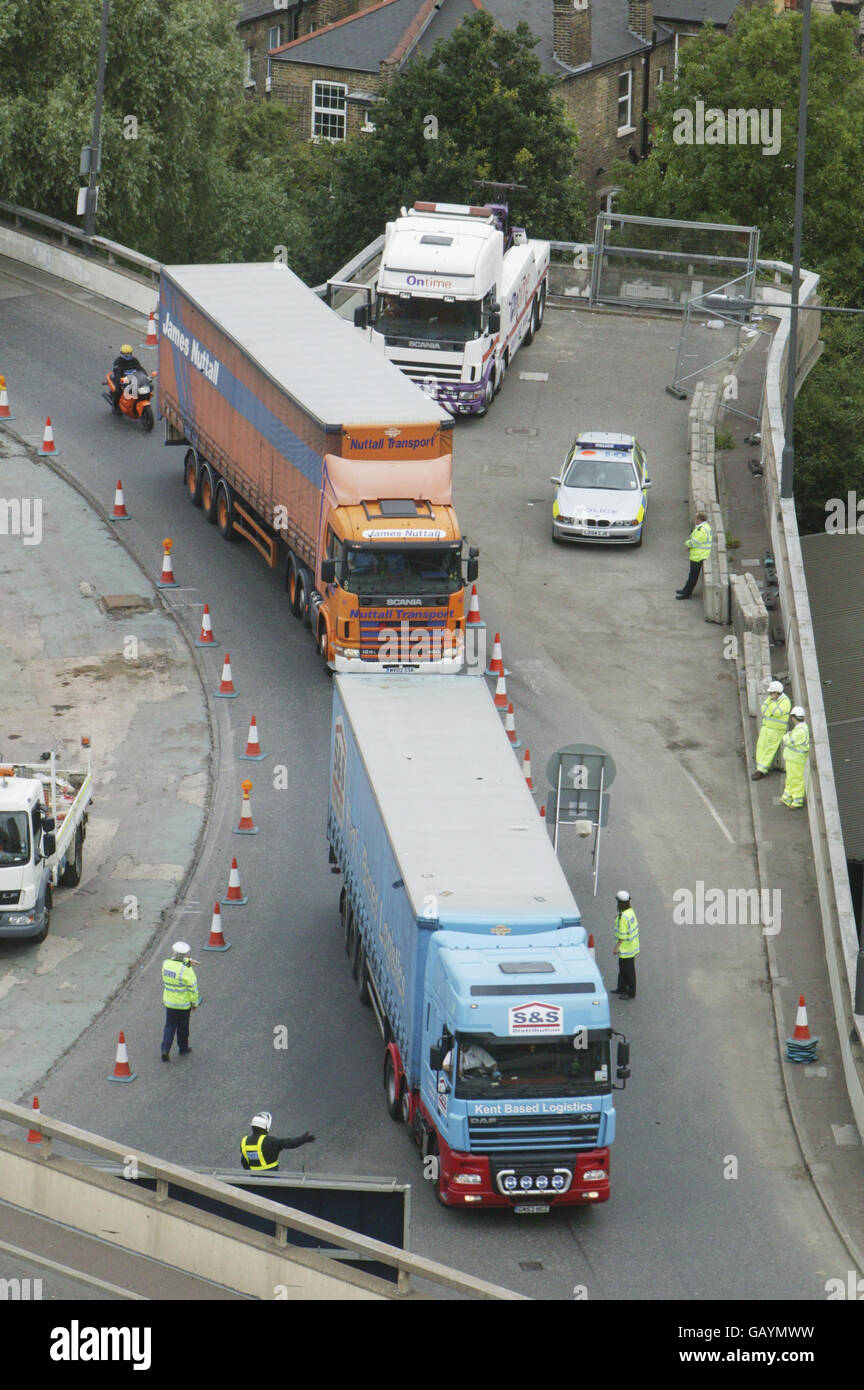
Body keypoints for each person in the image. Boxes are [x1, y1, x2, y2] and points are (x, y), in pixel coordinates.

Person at [161, 940, 199, 1061]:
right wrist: (194, 1003)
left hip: (170, 1003)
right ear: (186, 955)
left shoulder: (165, 964)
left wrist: (187, 961)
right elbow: (193, 989)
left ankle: (165, 1049)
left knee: (169, 1027)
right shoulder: (187, 971)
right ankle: (183, 1048)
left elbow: (175, 963)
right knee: (183, 1028)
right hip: (183, 1005)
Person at [240, 1111, 315, 1171]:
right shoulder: (269, 1141)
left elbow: (244, 1163)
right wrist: (303, 1139)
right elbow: (289, 1143)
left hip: (254, 1179)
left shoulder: (244, 1141)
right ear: (266, 1126)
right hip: (272, 1178)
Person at [752, 680, 791, 779]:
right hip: (766, 727)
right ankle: (758, 767)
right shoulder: (771, 698)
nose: (770, 694)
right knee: (760, 746)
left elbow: (777, 712)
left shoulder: (785, 702)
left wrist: (772, 705)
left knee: (769, 749)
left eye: (771, 693)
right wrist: (771, 707)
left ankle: (762, 770)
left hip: (776, 730)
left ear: (777, 693)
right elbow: (764, 709)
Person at [676, 510, 713, 599]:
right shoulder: (705, 527)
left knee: (693, 576)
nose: (694, 519)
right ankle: (686, 590)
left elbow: (694, 542)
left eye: (696, 517)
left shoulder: (701, 530)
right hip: (700, 554)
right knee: (692, 575)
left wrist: (687, 543)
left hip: (698, 556)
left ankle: (686, 594)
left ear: (699, 519)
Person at [781, 706, 810, 808]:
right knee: (790, 778)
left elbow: (789, 741)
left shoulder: (801, 731)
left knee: (796, 780)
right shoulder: (800, 728)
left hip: (796, 760)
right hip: (793, 759)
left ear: (793, 717)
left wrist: (786, 736)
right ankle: (787, 797)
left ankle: (797, 801)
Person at [613, 890, 640, 999]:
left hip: (626, 949)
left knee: (628, 972)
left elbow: (622, 936)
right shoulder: (630, 912)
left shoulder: (623, 917)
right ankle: (621, 988)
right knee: (623, 970)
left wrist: (616, 948)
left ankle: (630, 993)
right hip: (631, 946)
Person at [111, 344, 144, 411]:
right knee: (118, 391)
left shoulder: (134, 360)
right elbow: (117, 372)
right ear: (121, 353)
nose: (127, 356)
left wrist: (146, 376)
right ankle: (115, 406)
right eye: (125, 354)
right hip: (122, 380)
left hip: (134, 378)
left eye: (129, 354)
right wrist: (120, 380)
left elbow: (140, 368)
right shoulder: (118, 362)